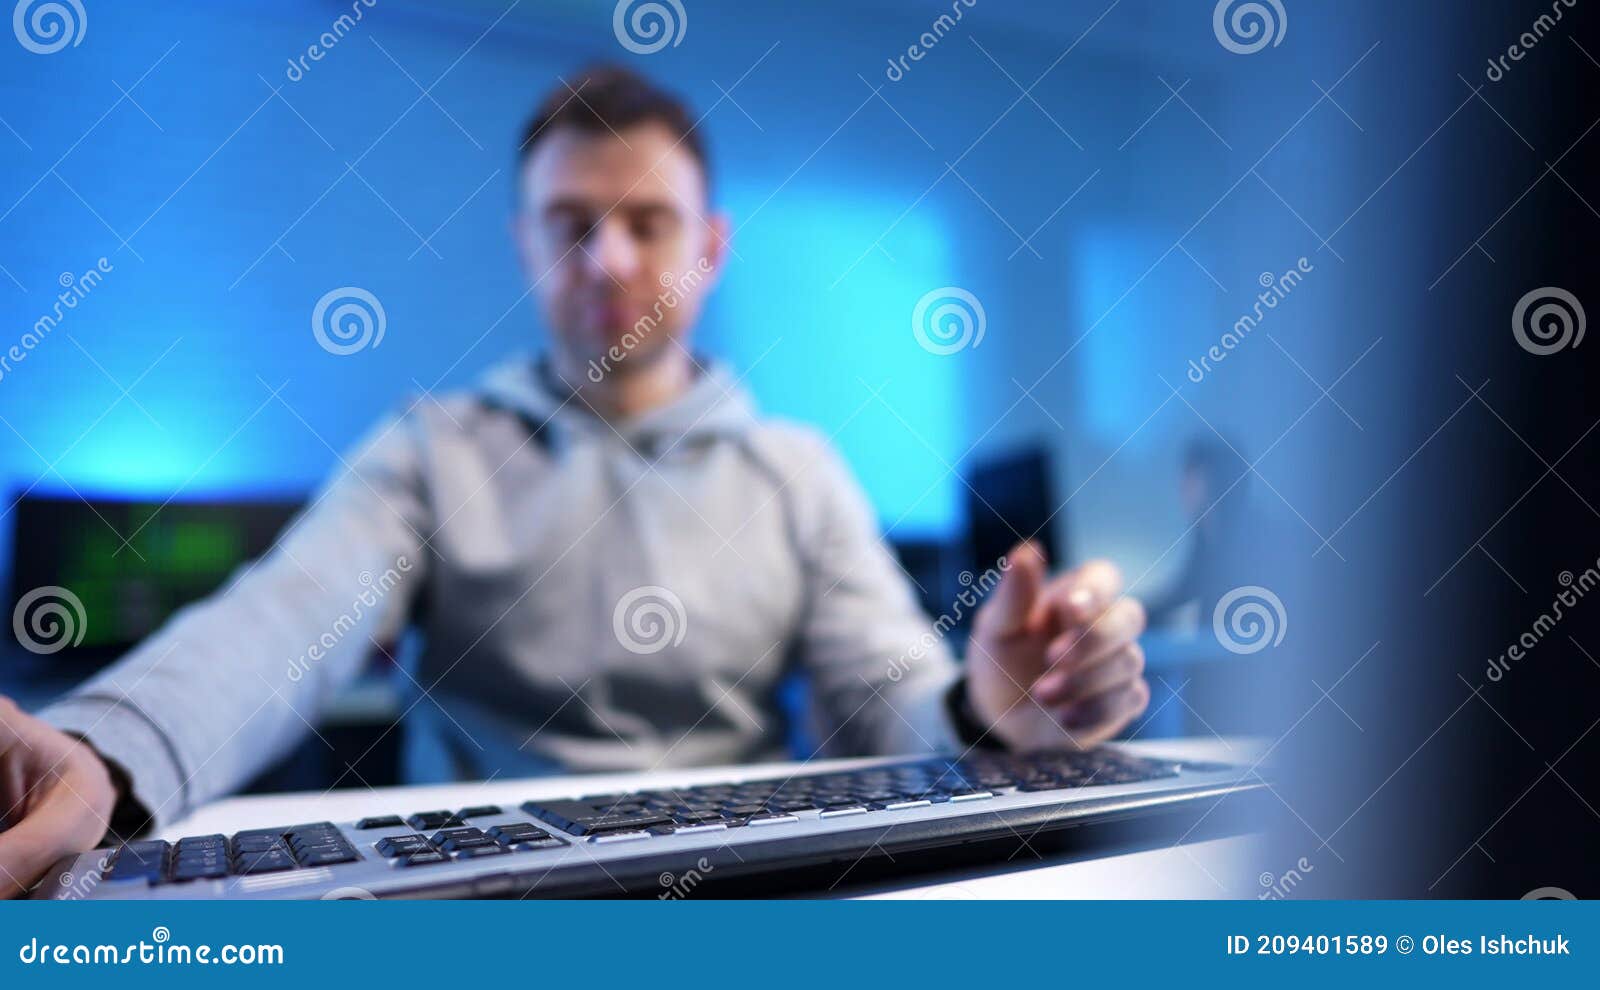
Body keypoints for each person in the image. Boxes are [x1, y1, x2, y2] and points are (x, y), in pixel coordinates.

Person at [0, 66, 1148, 897]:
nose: (607, 258)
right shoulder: (430, 450)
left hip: (741, 891)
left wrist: (984, 713)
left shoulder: (797, 470)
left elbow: (881, 690)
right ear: (525, 245)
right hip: (483, 898)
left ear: (711, 248)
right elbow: (280, 625)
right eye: (571, 224)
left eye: (647, 223)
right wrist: (102, 753)